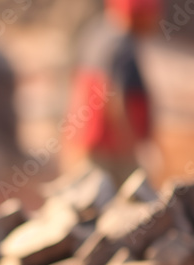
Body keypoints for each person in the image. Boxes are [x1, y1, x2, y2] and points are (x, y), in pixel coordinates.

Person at [64, 0, 163, 185]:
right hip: (111, 148)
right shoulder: (121, 44)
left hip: (91, 141)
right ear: (136, 15)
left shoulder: (99, 33)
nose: (156, 19)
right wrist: (135, 147)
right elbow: (116, 99)